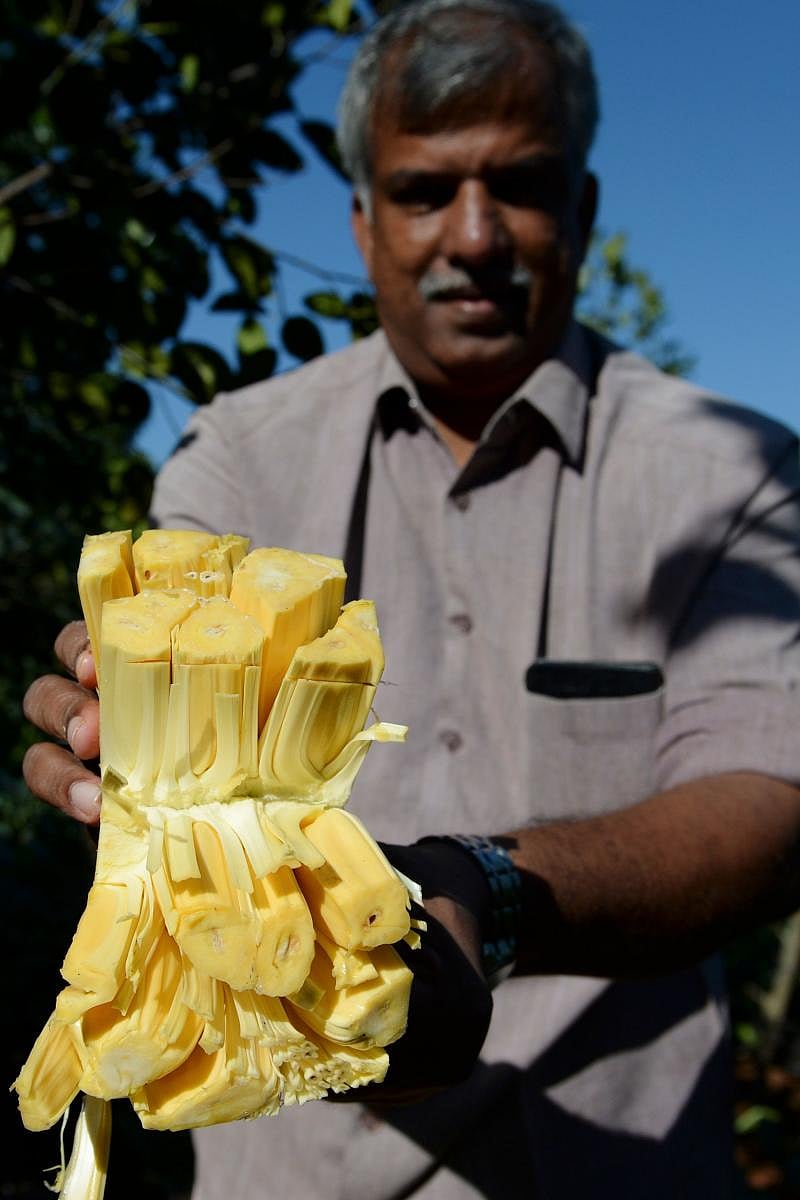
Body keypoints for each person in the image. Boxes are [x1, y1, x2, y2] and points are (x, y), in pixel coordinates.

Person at [21, 1, 800, 1196]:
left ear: (582, 210)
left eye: (523, 186)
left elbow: (770, 798)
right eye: (426, 190)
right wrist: (121, 733)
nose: (474, 236)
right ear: (362, 219)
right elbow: (170, 741)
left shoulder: (731, 476)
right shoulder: (239, 457)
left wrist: (484, 889)